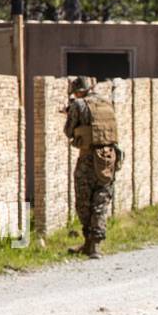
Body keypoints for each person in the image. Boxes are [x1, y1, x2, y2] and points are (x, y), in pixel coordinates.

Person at [63, 75, 120, 258]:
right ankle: (94, 245)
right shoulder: (106, 103)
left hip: (88, 159)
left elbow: (69, 131)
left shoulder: (79, 105)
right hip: (108, 158)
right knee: (101, 202)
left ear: (79, 91)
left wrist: (70, 112)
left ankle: (90, 242)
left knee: (84, 201)